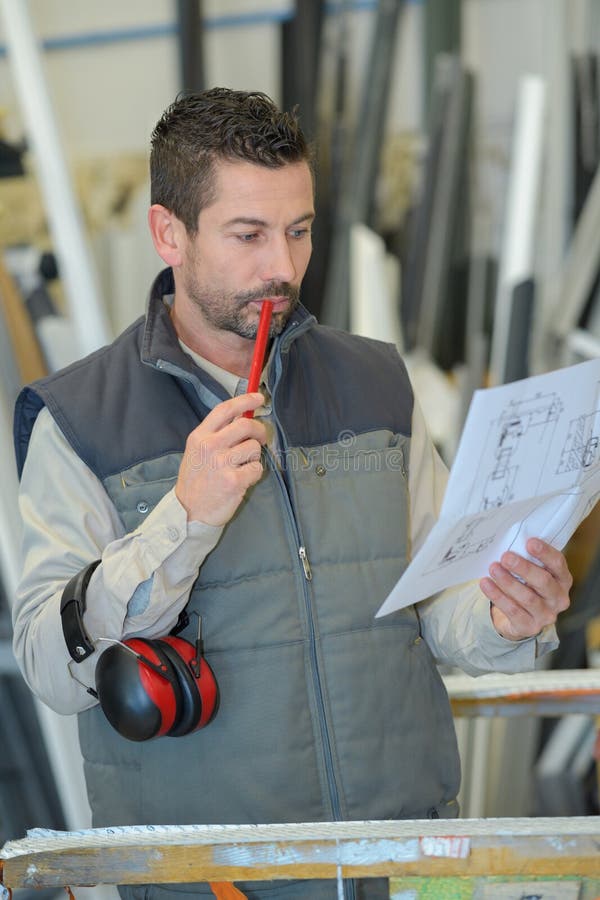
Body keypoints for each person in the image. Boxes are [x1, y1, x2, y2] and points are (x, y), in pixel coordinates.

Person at [12, 88, 571, 900]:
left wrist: (504, 615)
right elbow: (49, 666)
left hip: (400, 866)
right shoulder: (80, 420)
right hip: (208, 884)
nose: (283, 265)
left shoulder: (376, 382)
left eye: (299, 230)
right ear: (170, 233)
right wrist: (187, 517)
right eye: (249, 234)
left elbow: (440, 608)